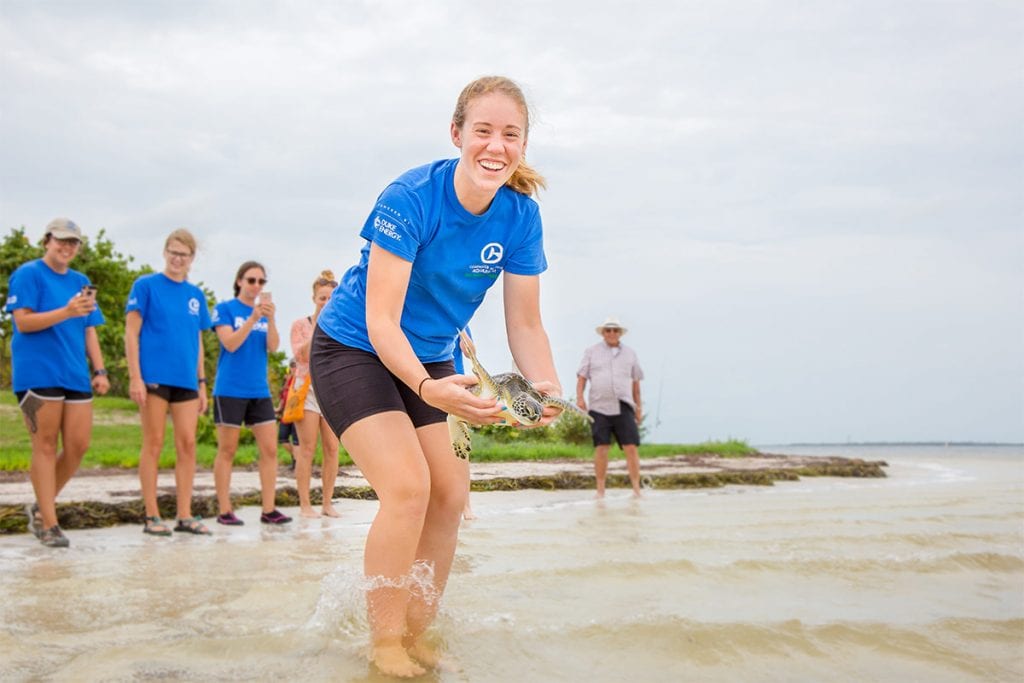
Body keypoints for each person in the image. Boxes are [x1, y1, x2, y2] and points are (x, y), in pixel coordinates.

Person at [310, 76, 562, 677]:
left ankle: (420, 633)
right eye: (483, 131)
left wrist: (547, 389)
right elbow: (380, 321)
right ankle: (384, 643)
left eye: (510, 134)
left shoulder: (521, 217)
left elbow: (525, 325)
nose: (495, 146)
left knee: (450, 495)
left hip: (434, 358)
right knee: (407, 488)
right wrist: (427, 387)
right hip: (354, 348)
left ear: (523, 146)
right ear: (457, 135)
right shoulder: (409, 197)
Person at [7, 218, 110, 548]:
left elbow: (89, 327)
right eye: (61, 241)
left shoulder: (81, 280)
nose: (67, 247)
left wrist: (100, 370)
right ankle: (48, 523)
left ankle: (42, 503)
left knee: (79, 445)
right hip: (37, 374)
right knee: (45, 444)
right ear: (47, 240)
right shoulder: (28, 274)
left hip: (74, 373)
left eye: (73, 243)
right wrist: (65, 311)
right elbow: (23, 323)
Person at [125, 228, 212, 536]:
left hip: (187, 380)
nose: (178, 258)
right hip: (154, 378)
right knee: (154, 442)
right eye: (173, 252)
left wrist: (202, 382)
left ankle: (185, 514)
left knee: (187, 444)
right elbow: (131, 333)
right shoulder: (146, 286)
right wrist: (135, 376)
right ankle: (151, 515)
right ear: (165, 252)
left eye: (184, 254)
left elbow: (198, 340)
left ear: (191, 259)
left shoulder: (195, 295)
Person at [211, 261, 291, 526]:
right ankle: (225, 510)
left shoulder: (263, 314)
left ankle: (269, 509)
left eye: (261, 281)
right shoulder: (225, 309)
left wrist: (270, 318)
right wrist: (253, 318)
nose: (256, 286)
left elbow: (273, 346)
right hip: (230, 389)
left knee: (269, 449)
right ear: (239, 281)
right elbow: (230, 344)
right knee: (228, 450)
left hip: (259, 389)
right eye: (251, 280)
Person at [289, 270, 342, 519]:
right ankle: (304, 504)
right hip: (306, 389)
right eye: (322, 298)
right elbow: (300, 356)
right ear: (314, 298)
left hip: (331, 389)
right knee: (307, 448)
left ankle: (327, 503)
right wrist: (320, 323)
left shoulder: (341, 326)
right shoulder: (301, 325)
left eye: (331, 298)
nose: (327, 302)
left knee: (332, 448)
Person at [576, 316, 645, 498]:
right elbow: (582, 377)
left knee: (631, 447)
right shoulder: (591, 351)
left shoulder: (630, 353)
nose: (612, 333)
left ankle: (637, 490)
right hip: (599, 406)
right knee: (601, 447)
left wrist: (639, 408)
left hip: (624, 405)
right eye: (608, 330)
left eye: (615, 330)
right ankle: (600, 491)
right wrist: (580, 398)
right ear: (603, 333)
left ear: (620, 333)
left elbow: (636, 384)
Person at [275, 359, 300, 471]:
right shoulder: (287, 381)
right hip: (286, 414)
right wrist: (278, 409)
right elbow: (283, 396)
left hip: (298, 413)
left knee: (296, 441)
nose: (294, 368)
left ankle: (297, 463)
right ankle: (296, 458)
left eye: (295, 365)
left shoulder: (301, 381)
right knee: (282, 438)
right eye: (292, 365)